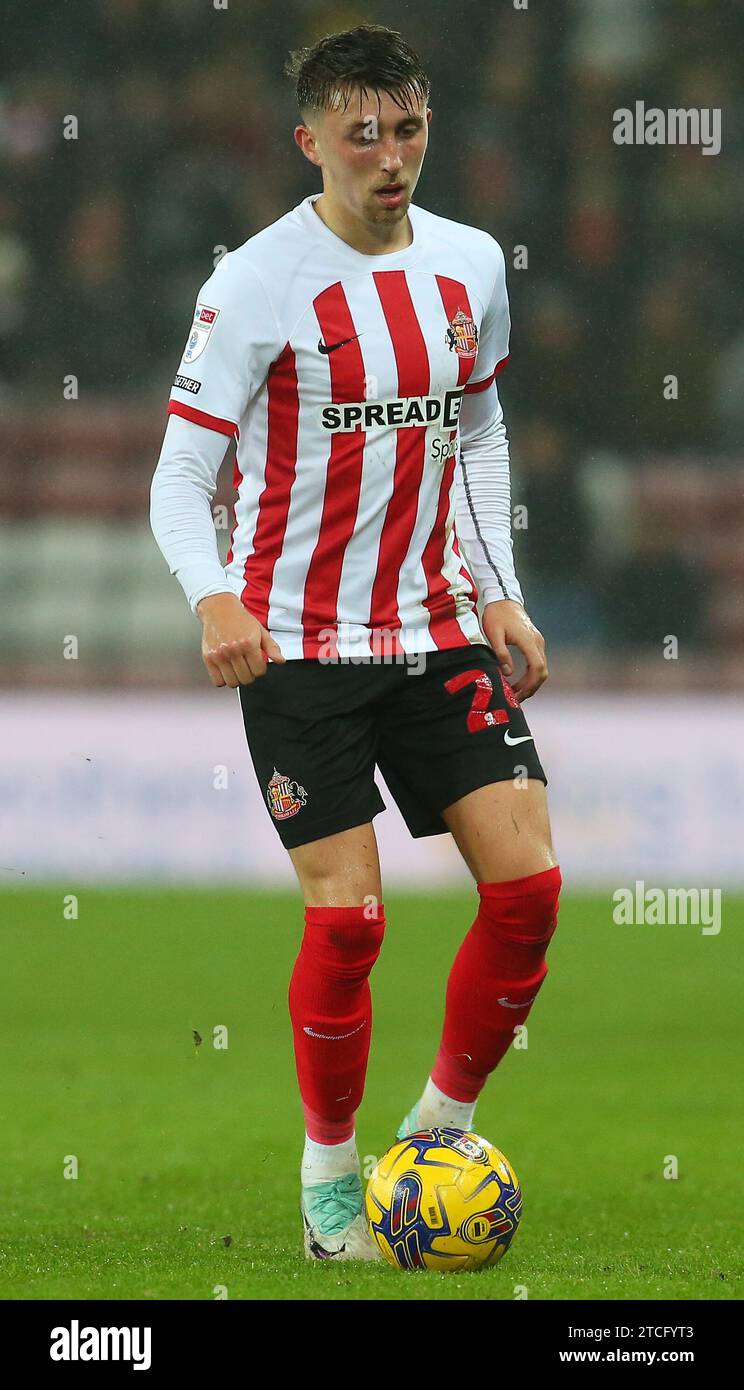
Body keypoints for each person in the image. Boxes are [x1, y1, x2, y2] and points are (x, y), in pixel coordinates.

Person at [150, 23, 561, 1262]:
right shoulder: (257, 281)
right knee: (351, 925)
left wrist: (501, 590)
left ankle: (433, 1135)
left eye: (411, 128)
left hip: (435, 628)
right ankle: (334, 1185)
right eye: (364, 135)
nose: (392, 158)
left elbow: (478, 436)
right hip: (299, 645)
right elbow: (181, 474)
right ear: (312, 140)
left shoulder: (474, 264)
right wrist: (211, 594)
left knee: (531, 893)